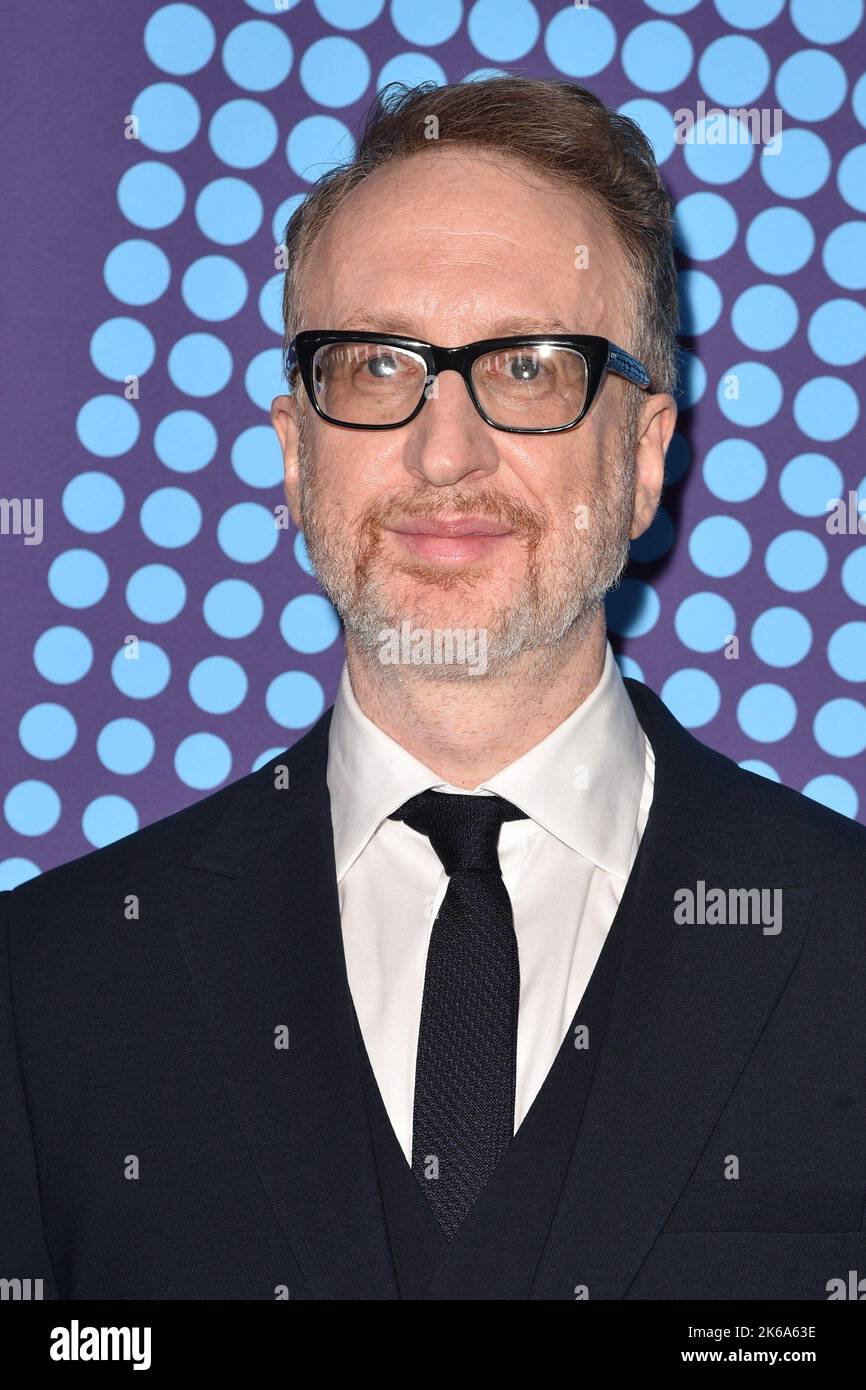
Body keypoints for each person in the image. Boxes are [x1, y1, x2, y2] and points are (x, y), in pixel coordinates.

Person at [3, 77, 864, 1302]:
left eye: (525, 367)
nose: (443, 452)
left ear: (643, 458)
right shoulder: (45, 991)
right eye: (372, 366)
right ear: (295, 457)